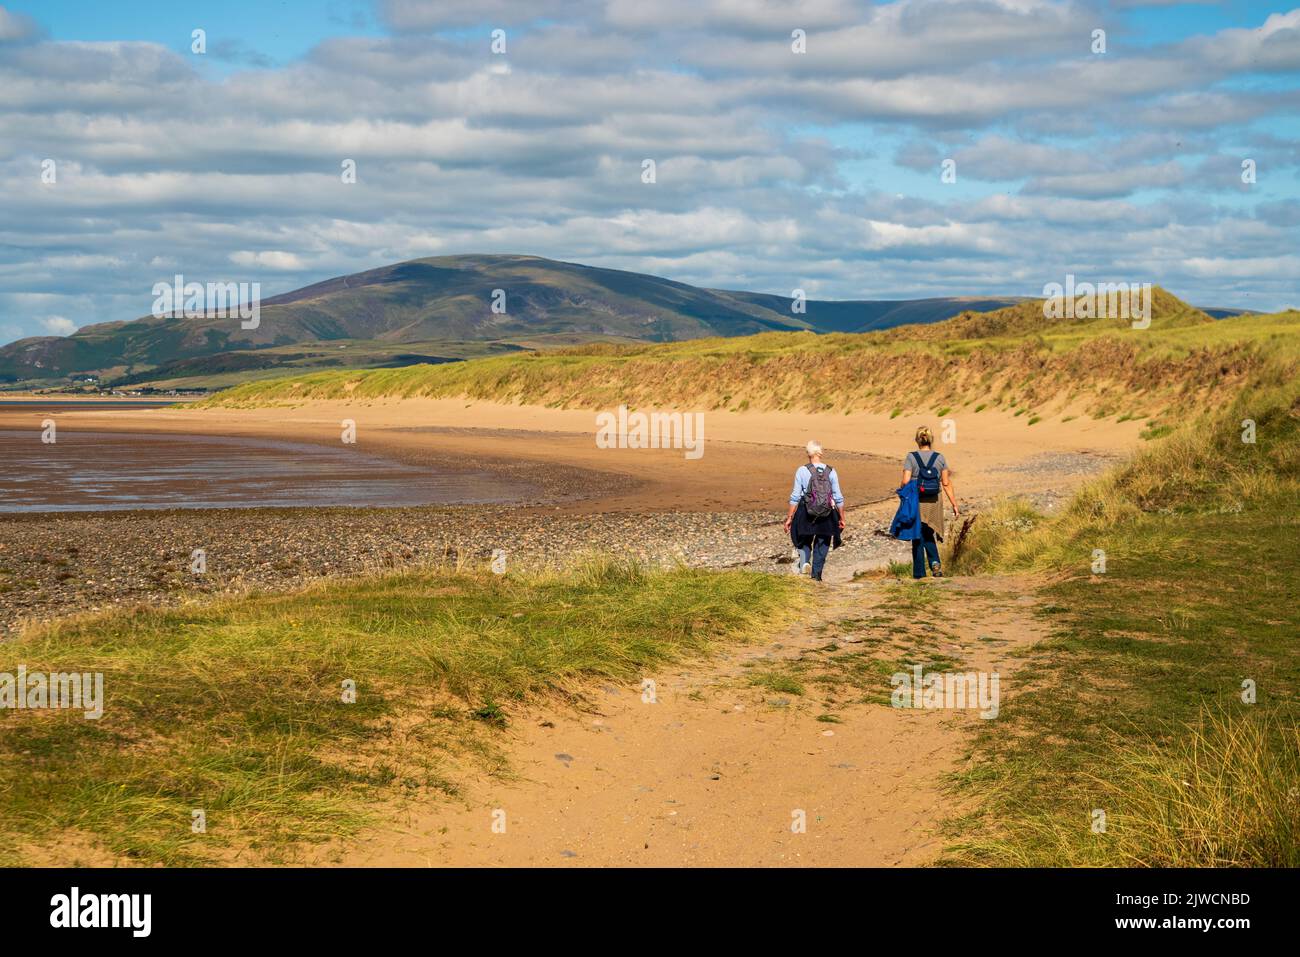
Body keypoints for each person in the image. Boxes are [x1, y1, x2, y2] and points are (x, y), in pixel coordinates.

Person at [901, 426, 959, 579]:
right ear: (931, 440)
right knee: (929, 533)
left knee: (917, 535)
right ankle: (935, 564)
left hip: (916, 501)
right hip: (934, 501)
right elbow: (946, 483)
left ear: (917, 440)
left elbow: (906, 481)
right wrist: (954, 504)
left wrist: (903, 494)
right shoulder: (940, 457)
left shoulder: (911, 457)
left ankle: (919, 574)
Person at [783, 441, 845, 581]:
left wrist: (789, 517)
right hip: (827, 514)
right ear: (820, 453)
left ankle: (805, 561)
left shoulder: (802, 470)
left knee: (802, 539)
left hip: (806, 512)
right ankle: (816, 576)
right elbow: (838, 497)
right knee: (822, 544)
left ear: (808, 454)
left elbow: (795, 496)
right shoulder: (831, 471)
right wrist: (841, 517)